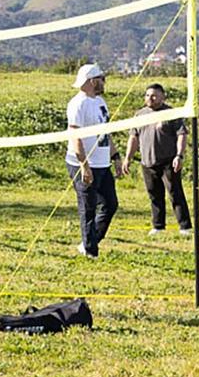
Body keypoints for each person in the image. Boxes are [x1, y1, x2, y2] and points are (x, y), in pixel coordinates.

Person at [119, 83, 189, 235]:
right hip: (147, 162)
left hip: (168, 161)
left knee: (175, 193)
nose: (150, 98)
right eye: (147, 95)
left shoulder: (171, 113)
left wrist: (179, 155)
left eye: (154, 95)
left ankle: (185, 226)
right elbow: (133, 137)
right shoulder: (140, 115)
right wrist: (128, 158)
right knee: (154, 195)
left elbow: (181, 135)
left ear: (163, 96)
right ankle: (158, 226)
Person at [67, 63, 117, 257]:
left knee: (110, 204)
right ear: (92, 81)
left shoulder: (101, 101)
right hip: (84, 164)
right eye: (102, 79)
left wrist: (116, 156)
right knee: (88, 208)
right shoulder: (77, 104)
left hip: (103, 163)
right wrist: (84, 166)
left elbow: (106, 133)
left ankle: (89, 241)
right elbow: (75, 137)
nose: (104, 82)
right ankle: (90, 251)